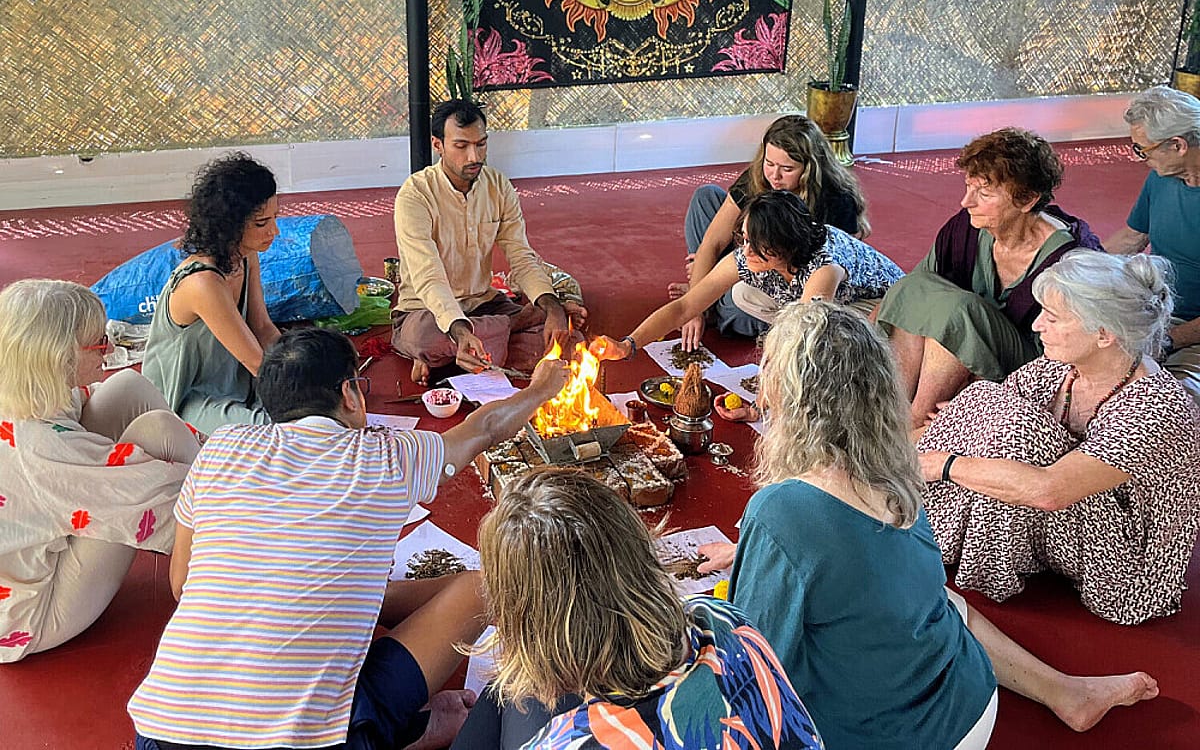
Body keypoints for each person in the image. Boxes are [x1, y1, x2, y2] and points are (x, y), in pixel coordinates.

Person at [698, 301, 1159, 748]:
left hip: (893, 737)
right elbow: (846, 548)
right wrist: (760, 552)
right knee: (939, 599)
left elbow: (754, 664)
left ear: (783, 394)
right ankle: (1063, 692)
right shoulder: (898, 466)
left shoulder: (778, 510)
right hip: (973, 704)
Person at [128, 327, 569, 750]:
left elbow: (181, 584)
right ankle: (400, 730)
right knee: (485, 587)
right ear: (349, 394)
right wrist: (541, 387)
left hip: (159, 733)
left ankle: (401, 722)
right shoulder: (388, 456)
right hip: (309, 743)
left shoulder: (221, 449)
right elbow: (485, 428)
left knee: (343, 591)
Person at [915, 251, 1200, 625]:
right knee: (986, 403)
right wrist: (962, 419)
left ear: (1104, 334)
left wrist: (944, 464)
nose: (1036, 326)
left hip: (1125, 574)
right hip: (1073, 530)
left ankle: (920, 524)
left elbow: (1050, 491)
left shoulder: (1157, 409)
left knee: (1008, 425)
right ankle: (901, 497)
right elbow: (980, 414)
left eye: (1053, 317)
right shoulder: (1062, 367)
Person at [451, 467, 824, 750]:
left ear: (529, 624)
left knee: (510, 690)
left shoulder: (568, 741)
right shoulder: (724, 619)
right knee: (506, 692)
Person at [0, 280, 199, 662]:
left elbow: (78, 411)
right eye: (97, 344)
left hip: (21, 556)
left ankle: (220, 499)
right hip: (28, 615)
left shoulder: (22, 383)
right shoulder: (43, 452)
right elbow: (149, 493)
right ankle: (234, 547)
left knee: (126, 386)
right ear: (58, 358)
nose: (109, 350)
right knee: (159, 432)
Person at [876, 127, 1103, 427]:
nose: (965, 202)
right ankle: (889, 409)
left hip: (1030, 368)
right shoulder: (965, 228)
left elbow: (1072, 355)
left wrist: (992, 400)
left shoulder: (1071, 259)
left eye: (983, 193)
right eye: (968, 187)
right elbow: (914, 293)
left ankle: (914, 424)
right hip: (955, 359)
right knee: (916, 288)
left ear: (1027, 200)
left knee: (956, 313)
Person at [591, 189, 901, 372]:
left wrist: (764, 396)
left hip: (881, 306)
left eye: (756, 243)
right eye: (745, 238)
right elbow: (685, 307)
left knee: (826, 347)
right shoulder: (751, 255)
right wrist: (627, 345)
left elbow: (806, 339)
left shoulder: (823, 268)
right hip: (808, 295)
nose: (745, 250)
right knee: (743, 293)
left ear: (785, 243)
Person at [392, 99, 582, 386]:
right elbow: (428, 276)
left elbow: (521, 256)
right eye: (461, 146)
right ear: (438, 144)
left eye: (481, 144)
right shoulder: (415, 195)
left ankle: (451, 359)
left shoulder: (498, 186)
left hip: (483, 303)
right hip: (425, 310)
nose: (473, 156)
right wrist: (459, 330)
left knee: (568, 339)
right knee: (426, 338)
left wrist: (552, 308)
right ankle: (492, 336)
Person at [671, 114, 870, 348]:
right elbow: (712, 242)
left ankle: (713, 292)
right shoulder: (758, 177)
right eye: (769, 163)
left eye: (787, 168)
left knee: (737, 305)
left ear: (809, 168)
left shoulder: (836, 200)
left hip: (792, 282)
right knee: (706, 198)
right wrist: (693, 309)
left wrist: (711, 281)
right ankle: (708, 289)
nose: (774, 176)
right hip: (752, 252)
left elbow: (817, 282)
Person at [142, 152, 282, 435]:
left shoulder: (246, 255)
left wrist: (307, 362)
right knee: (278, 430)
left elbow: (263, 328)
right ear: (229, 225)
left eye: (274, 218)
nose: (274, 231)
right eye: (261, 223)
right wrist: (314, 392)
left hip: (236, 383)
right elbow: (256, 361)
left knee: (307, 414)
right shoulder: (203, 283)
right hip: (185, 400)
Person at [1105, 85, 1200, 404]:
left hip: (1189, 332)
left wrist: (1168, 340)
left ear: (1178, 145)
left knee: (1166, 401)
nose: (1140, 158)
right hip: (1156, 314)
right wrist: (1079, 269)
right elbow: (1133, 237)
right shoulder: (1161, 177)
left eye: (1142, 149)